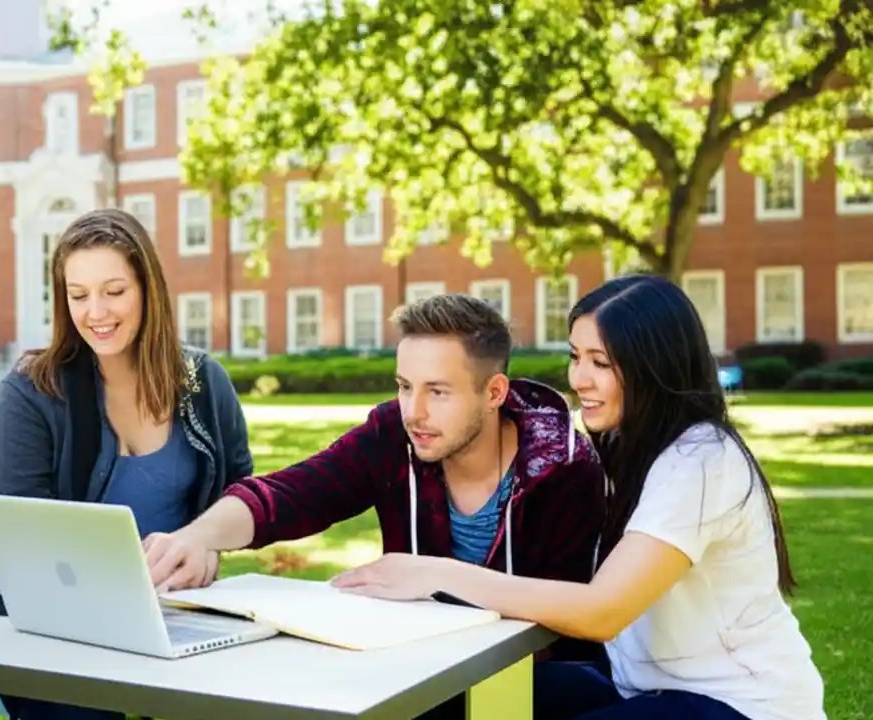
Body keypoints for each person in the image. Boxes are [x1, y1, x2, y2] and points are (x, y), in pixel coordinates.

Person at [331, 275, 825, 720]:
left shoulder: (701, 460)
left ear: (654, 367)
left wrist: (434, 573)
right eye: (575, 356)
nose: (578, 379)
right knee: (460, 700)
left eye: (601, 362)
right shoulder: (626, 447)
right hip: (641, 690)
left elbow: (601, 611)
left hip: (739, 704)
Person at [144, 293, 609, 705]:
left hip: (530, 684)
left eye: (438, 392)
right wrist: (200, 536)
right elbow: (294, 493)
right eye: (405, 386)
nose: (414, 411)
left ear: (493, 392)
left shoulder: (561, 467)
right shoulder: (393, 435)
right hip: (410, 673)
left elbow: (560, 626)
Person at [0, 207, 253, 720]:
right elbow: (24, 534)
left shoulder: (202, 382)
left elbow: (242, 494)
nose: (96, 312)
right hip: (68, 628)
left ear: (147, 289)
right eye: (78, 294)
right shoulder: (31, 391)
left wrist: (207, 547)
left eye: (114, 291)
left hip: (183, 614)